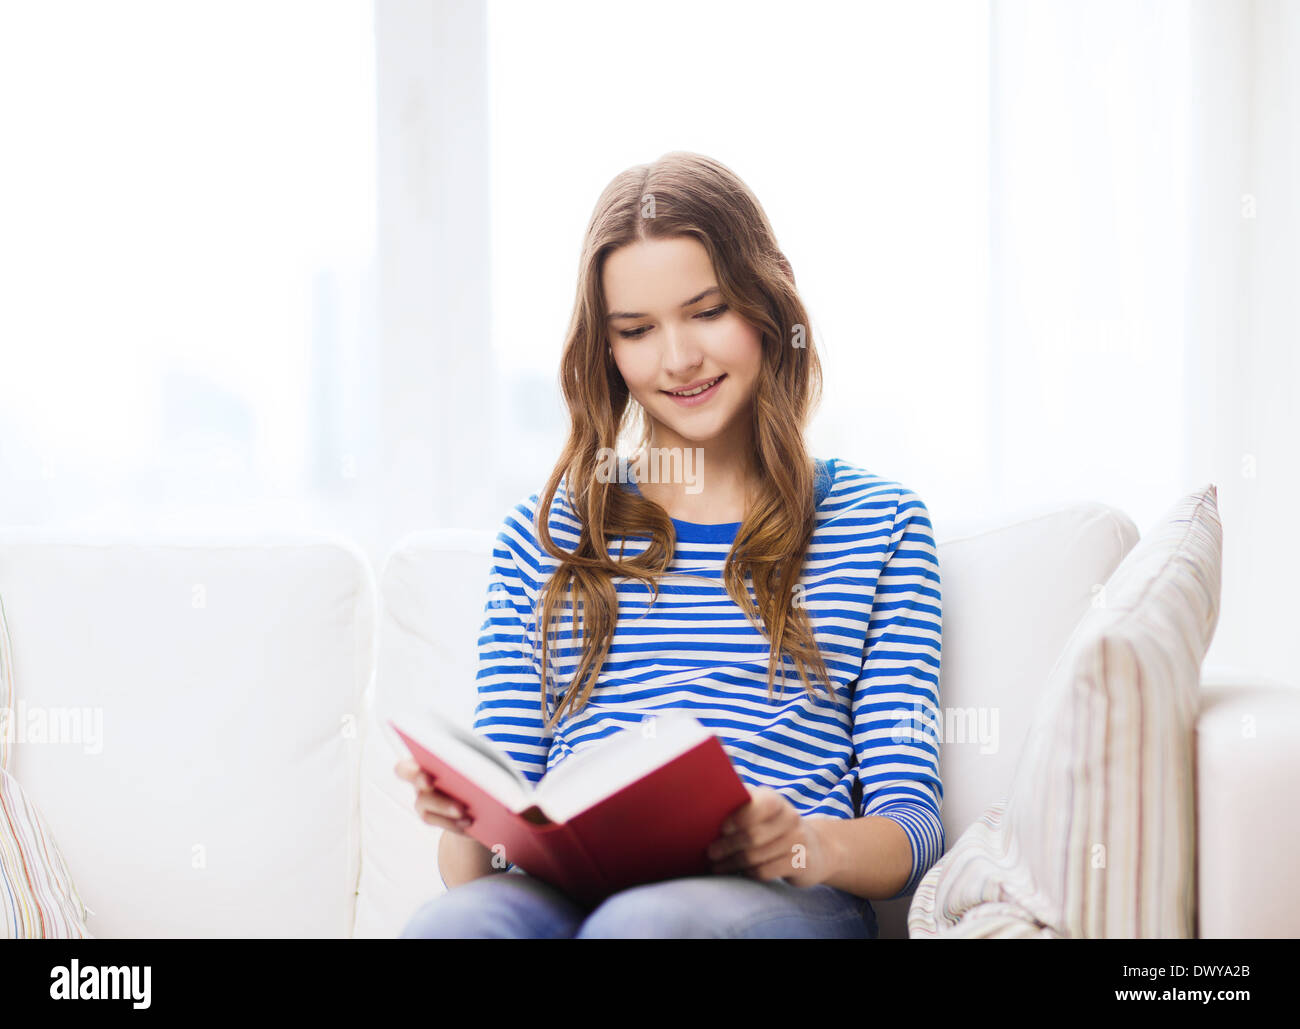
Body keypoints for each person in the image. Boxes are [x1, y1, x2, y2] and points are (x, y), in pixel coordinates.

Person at [395, 151, 943, 938]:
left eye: (708, 311)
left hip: (780, 899)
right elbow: (471, 870)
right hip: (565, 893)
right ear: (609, 351)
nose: (679, 358)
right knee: (451, 927)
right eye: (638, 330)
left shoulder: (879, 525)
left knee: (642, 925)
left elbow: (911, 830)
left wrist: (806, 844)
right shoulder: (545, 536)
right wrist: (465, 817)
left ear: (764, 304)